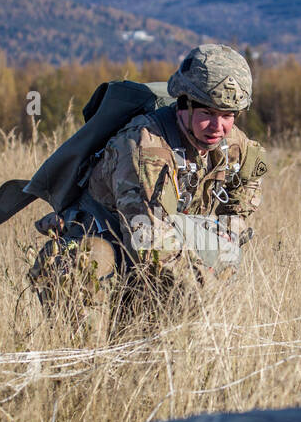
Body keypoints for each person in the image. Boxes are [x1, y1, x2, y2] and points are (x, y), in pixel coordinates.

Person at [28, 44, 268, 326]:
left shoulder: (230, 142)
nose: (218, 126)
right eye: (207, 113)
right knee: (93, 269)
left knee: (214, 257)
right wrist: (208, 292)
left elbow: (250, 175)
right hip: (107, 242)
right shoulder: (145, 147)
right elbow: (149, 242)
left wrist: (231, 228)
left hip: (161, 245)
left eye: (228, 115)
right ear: (184, 105)